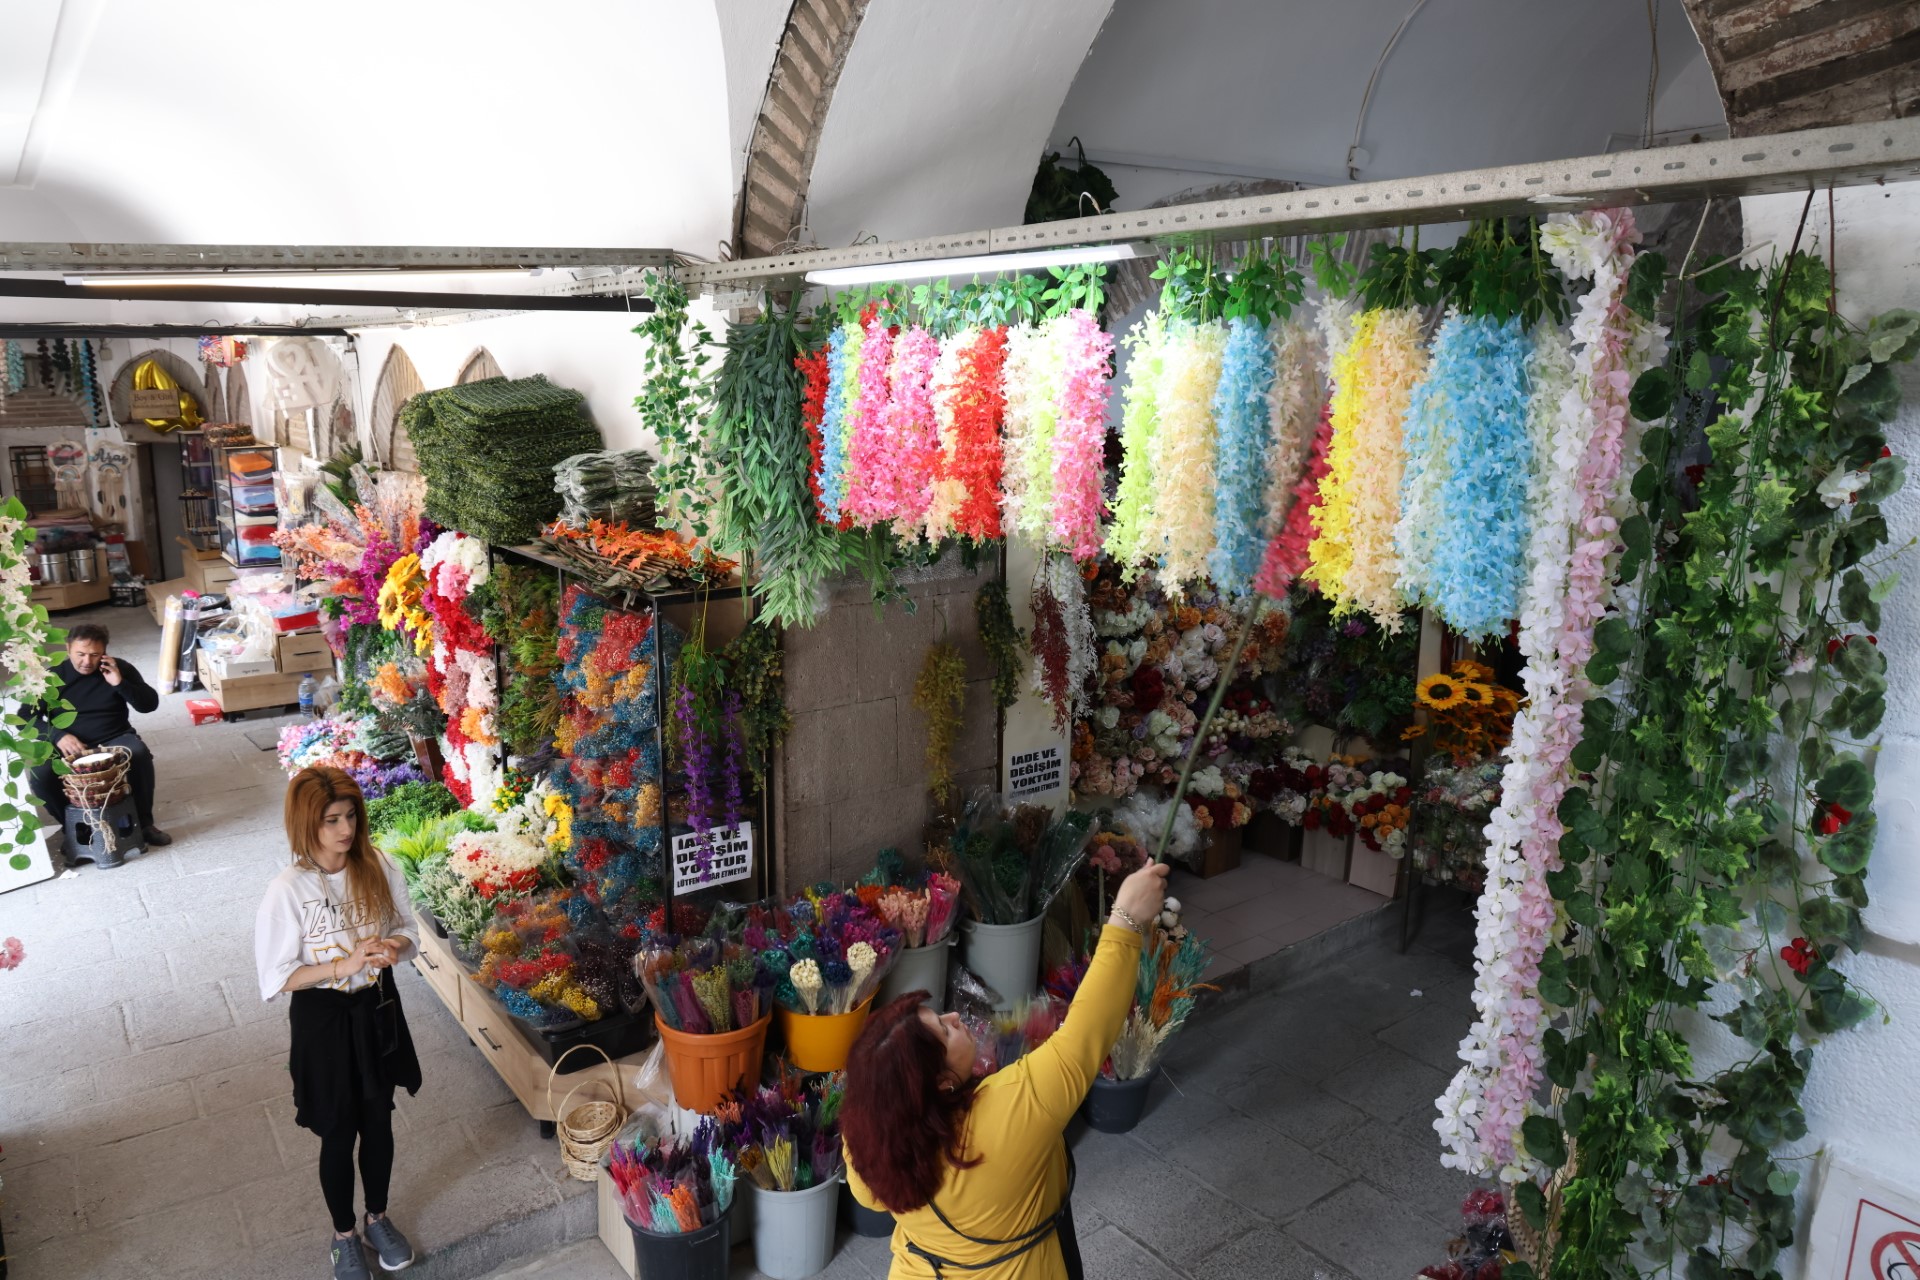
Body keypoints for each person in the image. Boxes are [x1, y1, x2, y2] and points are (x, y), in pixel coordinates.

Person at [843, 859, 1172, 1280]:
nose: (955, 1019)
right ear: (942, 1085)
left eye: (938, 1015)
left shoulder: (867, 1134)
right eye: (945, 1033)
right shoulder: (1007, 1114)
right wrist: (1126, 919)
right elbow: (1086, 1036)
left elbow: (870, 1199)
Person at [255, 765, 422, 1280]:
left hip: (375, 1008)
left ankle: (377, 1217)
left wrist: (393, 946)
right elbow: (277, 978)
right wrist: (342, 966)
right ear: (307, 824)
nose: (344, 830)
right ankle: (343, 1234)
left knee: (379, 1118)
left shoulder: (377, 865)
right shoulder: (288, 890)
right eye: (330, 820)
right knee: (337, 1129)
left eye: (350, 816)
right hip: (323, 1020)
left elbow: (409, 932)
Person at [27, 622, 170, 855]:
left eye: (95, 654)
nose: (87, 661)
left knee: (139, 754)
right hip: (67, 745)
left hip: (113, 737)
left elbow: (149, 705)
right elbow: (25, 717)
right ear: (68, 648)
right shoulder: (51, 676)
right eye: (80, 654)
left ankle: (144, 824)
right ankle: (74, 830)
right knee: (41, 775)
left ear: (104, 651)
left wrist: (120, 683)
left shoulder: (118, 668)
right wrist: (57, 735)